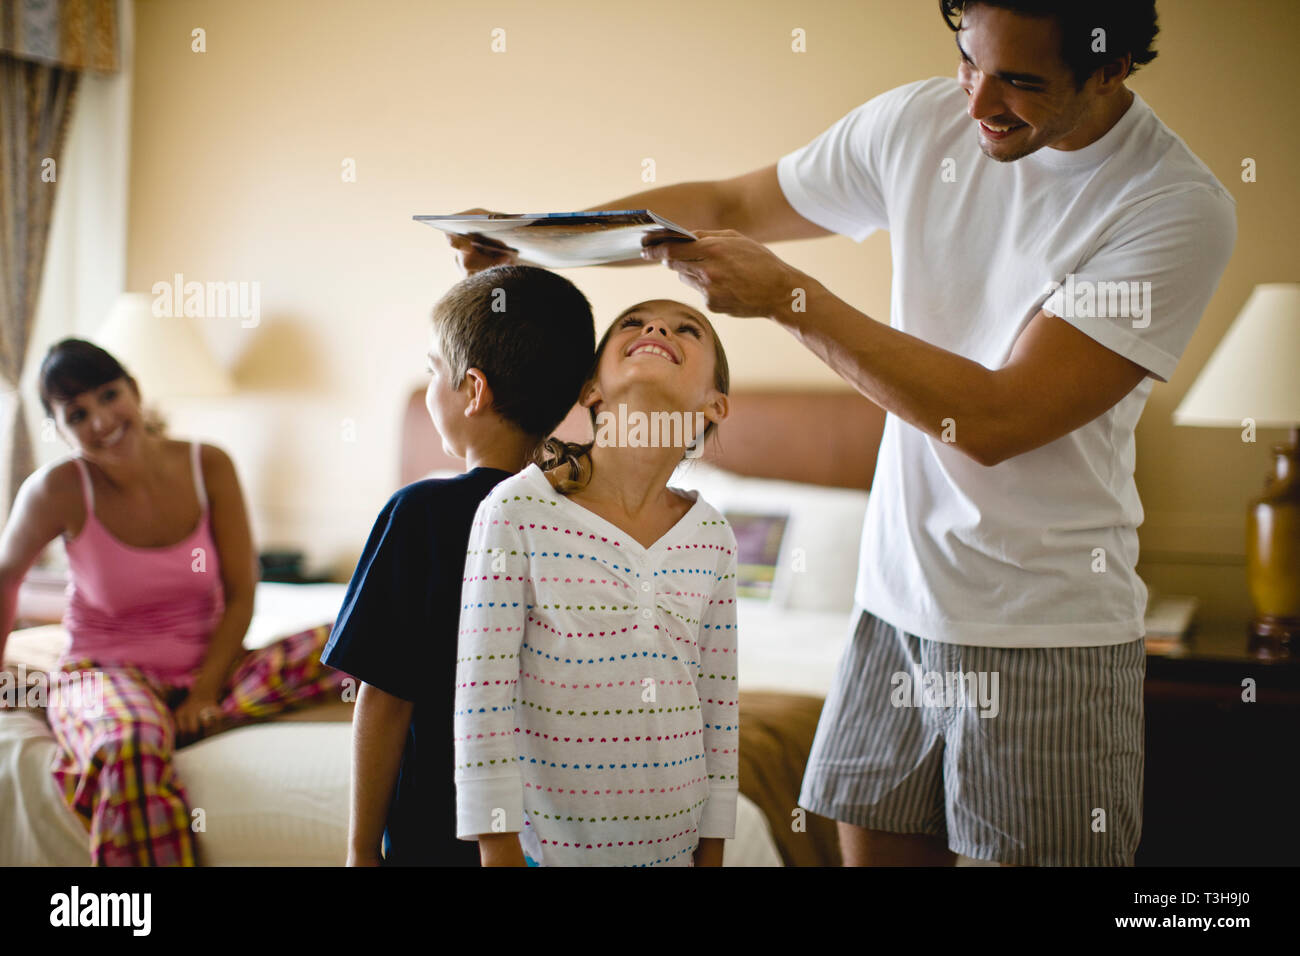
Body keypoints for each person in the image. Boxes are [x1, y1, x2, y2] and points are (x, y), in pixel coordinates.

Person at [450, 1, 1236, 866]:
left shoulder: (1172, 206)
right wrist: (539, 241)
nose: (979, 104)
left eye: (1022, 81)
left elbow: (994, 419)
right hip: (892, 610)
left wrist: (794, 299)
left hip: (1044, 638)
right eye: (969, 61)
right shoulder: (919, 122)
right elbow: (729, 203)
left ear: (1111, 65)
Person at [0, 338, 345, 866]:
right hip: (106, 674)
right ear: (59, 428)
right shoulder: (58, 490)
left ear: (135, 391)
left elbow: (241, 592)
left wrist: (203, 693)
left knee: (361, 641)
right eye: (77, 414)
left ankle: (185, 721)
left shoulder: (209, 465)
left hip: (216, 672)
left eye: (109, 395)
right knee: (128, 746)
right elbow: (5, 579)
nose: (100, 420)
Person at [322, 265, 596, 866]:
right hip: (559, 836)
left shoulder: (422, 512)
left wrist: (359, 853)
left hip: (438, 833)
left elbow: (384, 696)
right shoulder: (586, 517)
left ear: (473, 390)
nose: (427, 387)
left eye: (431, 371)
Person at [454, 297, 738, 867]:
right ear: (591, 390)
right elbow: (482, 701)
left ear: (714, 405)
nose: (656, 328)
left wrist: (711, 854)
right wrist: (500, 853)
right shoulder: (516, 509)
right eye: (633, 324)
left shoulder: (714, 535)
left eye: (688, 329)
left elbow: (719, 711)